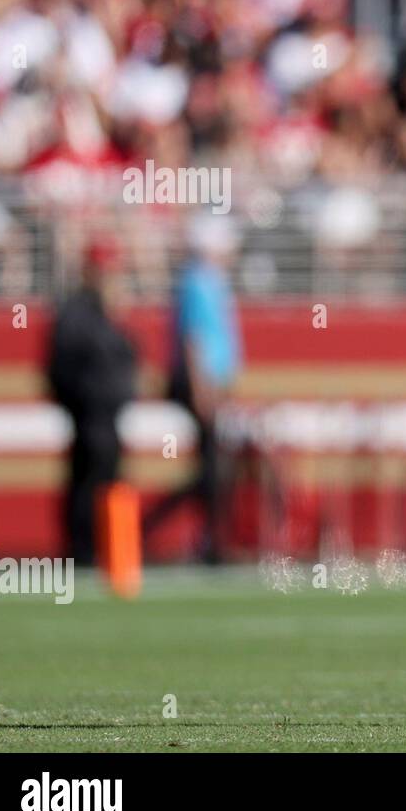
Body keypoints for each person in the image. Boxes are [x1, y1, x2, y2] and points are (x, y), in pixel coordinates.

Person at [142, 216, 243, 563]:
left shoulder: (209, 282)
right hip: (201, 385)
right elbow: (195, 339)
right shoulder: (198, 282)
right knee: (213, 466)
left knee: (214, 465)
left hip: (210, 383)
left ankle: (209, 538)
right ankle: (209, 541)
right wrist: (204, 389)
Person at [46, 239, 138, 565]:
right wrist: (81, 405)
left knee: (107, 482)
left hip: (108, 416)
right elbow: (62, 368)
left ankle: (104, 550)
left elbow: (128, 358)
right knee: (89, 483)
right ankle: (83, 551)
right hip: (90, 415)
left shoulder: (107, 312)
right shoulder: (77, 313)